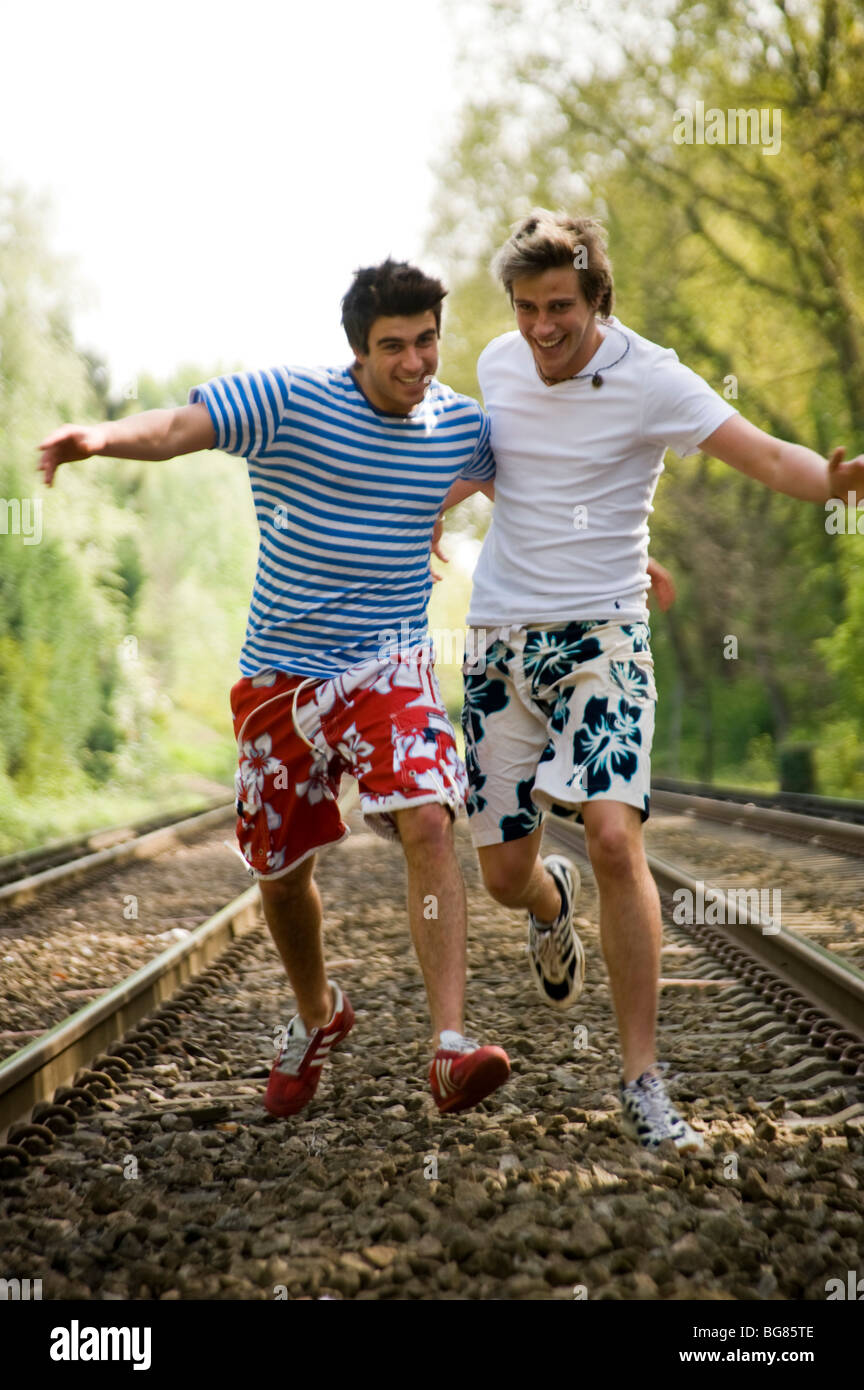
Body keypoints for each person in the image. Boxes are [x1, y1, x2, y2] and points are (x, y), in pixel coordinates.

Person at [37, 259, 511, 1119]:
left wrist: (467, 508)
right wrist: (99, 438)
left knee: (431, 813)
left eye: (428, 342)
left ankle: (449, 1046)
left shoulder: (460, 425)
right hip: (280, 679)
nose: (416, 363)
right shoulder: (287, 402)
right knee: (281, 873)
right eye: (394, 347)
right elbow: (182, 426)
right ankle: (316, 1015)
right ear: (357, 353)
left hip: (388, 662)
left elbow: (527, 483)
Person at [437, 209, 864, 1151]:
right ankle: (551, 904)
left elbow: (762, 454)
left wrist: (835, 485)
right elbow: (514, 469)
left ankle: (641, 1079)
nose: (540, 328)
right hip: (502, 637)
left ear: (598, 300)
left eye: (559, 307)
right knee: (504, 875)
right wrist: (444, 506)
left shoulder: (653, 379)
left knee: (615, 842)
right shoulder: (500, 365)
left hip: (605, 642)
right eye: (524, 308)